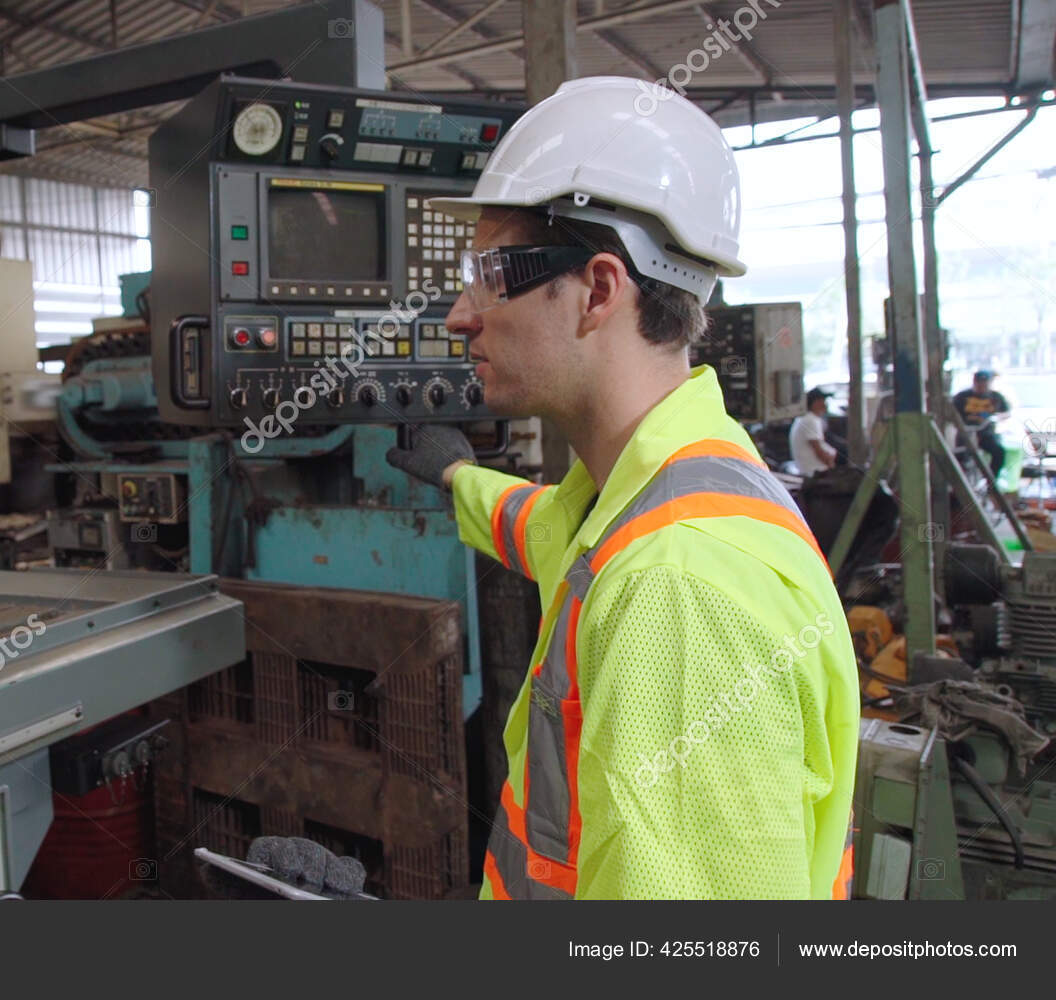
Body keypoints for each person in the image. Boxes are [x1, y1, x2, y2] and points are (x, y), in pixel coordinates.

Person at [385, 77, 859, 900]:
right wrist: (458, 474)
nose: (460, 315)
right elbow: (550, 533)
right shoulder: (664, 487)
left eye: (488, 275)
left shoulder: (676, 596)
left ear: (599, 290)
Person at [952, 369, 1010, 477]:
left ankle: (992, 480)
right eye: (979, 383)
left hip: (986, 434)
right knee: (959, 457)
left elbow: (1006, 413)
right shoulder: (962, 396)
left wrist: (996, 417)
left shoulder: (996, 397)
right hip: (965, 433)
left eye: (984, 383)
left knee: (999, 452)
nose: (981, 386)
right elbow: (951, 411)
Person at [789, 388, 837, 476]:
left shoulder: (806, 418)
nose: (825, 404)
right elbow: (818, 451)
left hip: (809, 469)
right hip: (814, 472)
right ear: (815, 403)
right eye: (822, 401)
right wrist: (831, 466)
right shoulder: (810, 420)